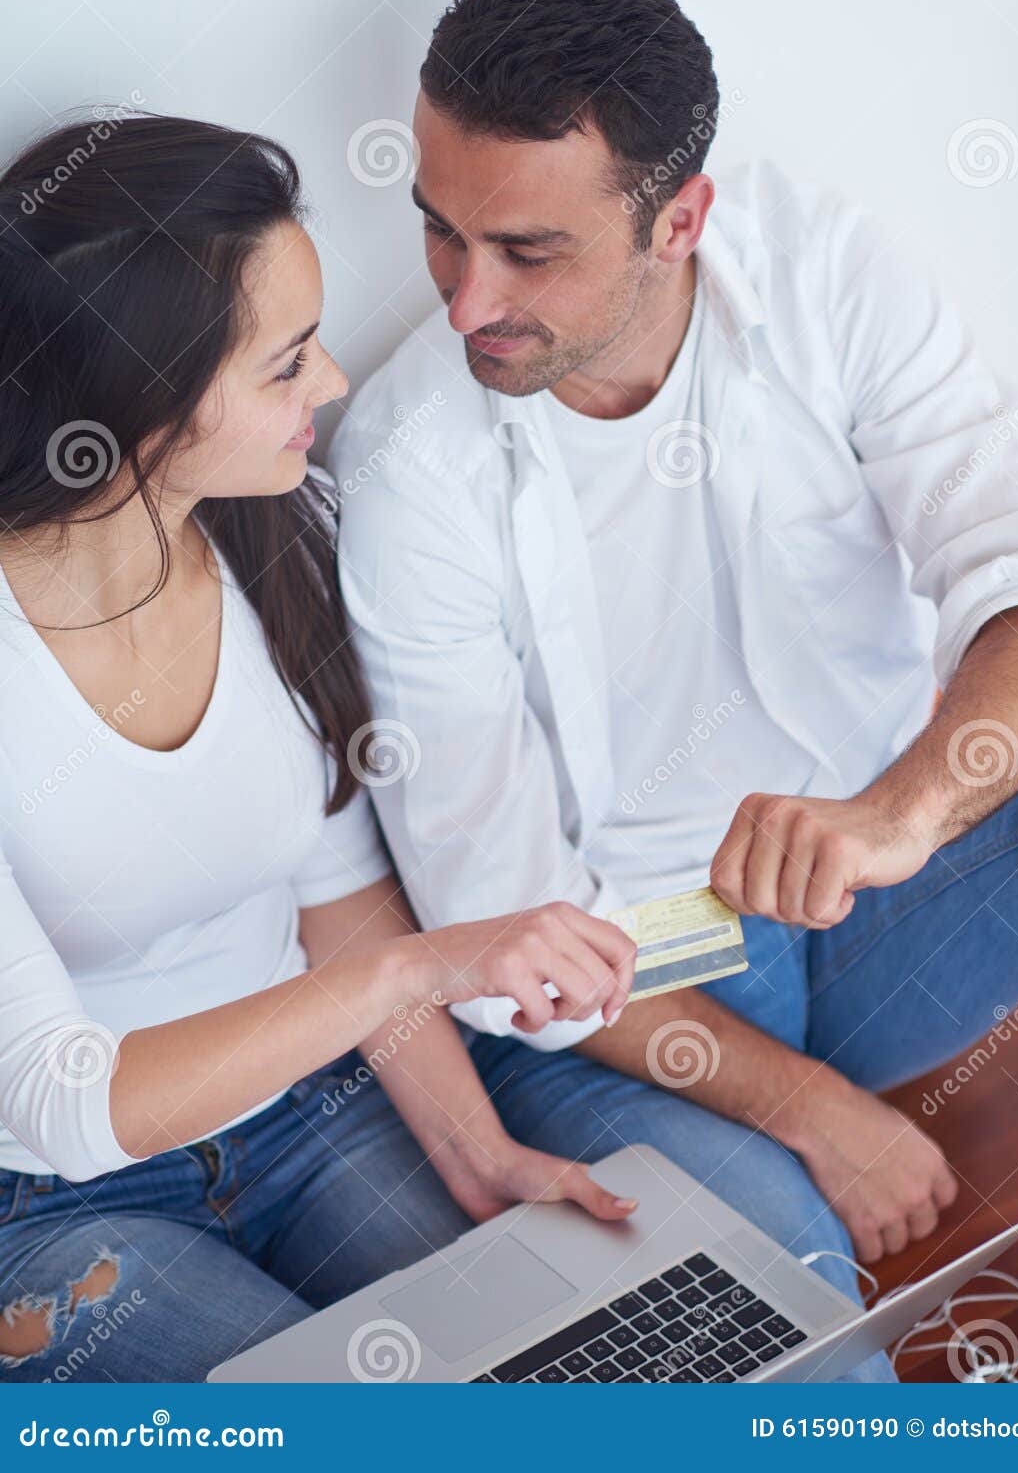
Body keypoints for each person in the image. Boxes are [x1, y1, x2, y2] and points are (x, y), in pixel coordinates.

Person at [327, 0, 1018, 1345]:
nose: (466, 300)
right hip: (624, 985)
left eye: (528, 250)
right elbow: (503, 918)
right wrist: (820, 1118)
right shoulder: (411, 464)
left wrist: (904, 811)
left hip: (862, 889)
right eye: (439, 227)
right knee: (775, 1316)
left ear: (681, 221)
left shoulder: (823, 267)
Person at [0, 111, 646, 1383]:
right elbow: (64, 1105)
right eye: (286, 363)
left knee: (562, 1372)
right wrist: (417, 970)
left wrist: (479, 1156)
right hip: (53, 1208)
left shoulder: (271, 532)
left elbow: (337, 896)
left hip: (306, 1120)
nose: (334, 384)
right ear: (141, 398)